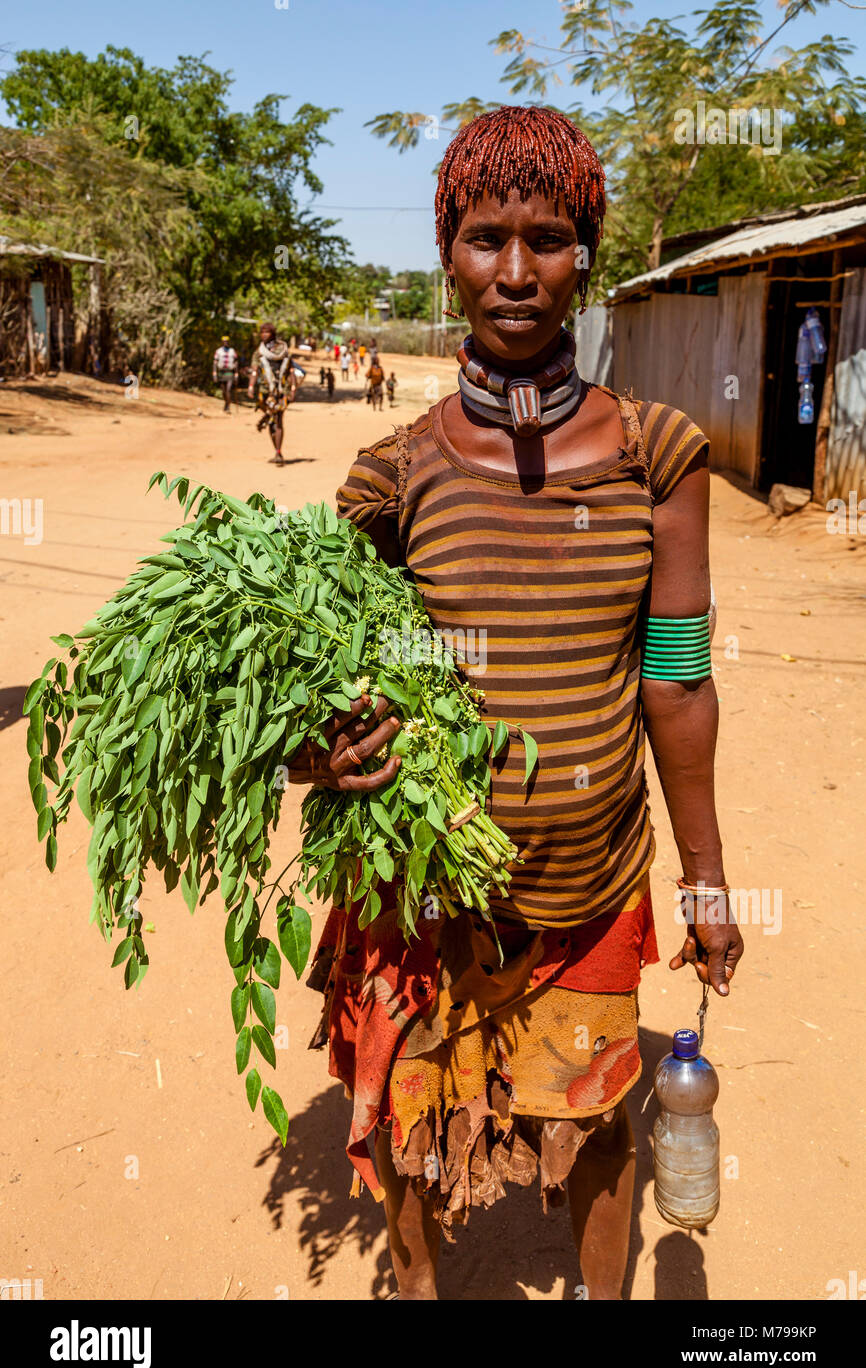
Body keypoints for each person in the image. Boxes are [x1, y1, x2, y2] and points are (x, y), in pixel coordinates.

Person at [288, 106, 745, 1302]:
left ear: (583, 251)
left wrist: (702, 879)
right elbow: (318, 680)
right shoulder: (393, 474)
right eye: (484, 236)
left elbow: (676, 677)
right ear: (445, 248)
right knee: (405, 1119)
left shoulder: (658, 454)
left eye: (545, 238)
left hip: (588, 882)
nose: (513, 271)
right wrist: (321, 753)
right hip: (426, 892)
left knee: (596, 1131)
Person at [247, 322, 292, 465]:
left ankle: (278, 453)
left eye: (266, 332)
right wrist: (251, 386)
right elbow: (254, 370)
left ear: (272, 333)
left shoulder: (283, 349)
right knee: (272, 421)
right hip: (265, 392)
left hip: (281, 392)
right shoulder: (259, 352)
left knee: (278, 420)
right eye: (262, 332)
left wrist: (293, 389)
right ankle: (277, 450)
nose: (264, 335)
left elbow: (290, 371)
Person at [212, 335, 238, 412]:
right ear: (222, 342)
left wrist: (236, 374)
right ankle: (226, 403)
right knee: (223, 391)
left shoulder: (232, 351)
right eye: (224, 341)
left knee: (228, 390)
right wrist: (214, 373)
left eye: (227, 341)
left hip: (230, 372)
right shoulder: (218, 351)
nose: (225, 343)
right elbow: (215, 363)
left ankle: (228, 407)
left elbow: (236, 362)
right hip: (221, 372)